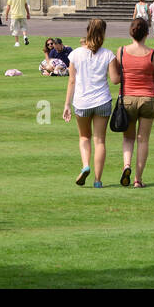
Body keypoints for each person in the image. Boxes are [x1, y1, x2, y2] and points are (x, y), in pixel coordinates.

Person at [62, 19, 115, 187]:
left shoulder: (75, 53)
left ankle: (85, 165)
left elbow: (71, 81)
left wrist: (66, 105)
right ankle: (98, 180)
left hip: (82, 102)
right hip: (102, 100)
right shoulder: (108, 54)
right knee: (100, 140)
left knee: (84, 136)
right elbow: (115, 80)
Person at [110, 16, 154, 188]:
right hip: (148, 98)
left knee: (128, 138)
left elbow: (116, 78)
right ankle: (138, 179)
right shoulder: (153, 54)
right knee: (143, 140)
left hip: (128, 98)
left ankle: (126, 166)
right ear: (147, 33)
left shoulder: (122, 51)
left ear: (131, 33)